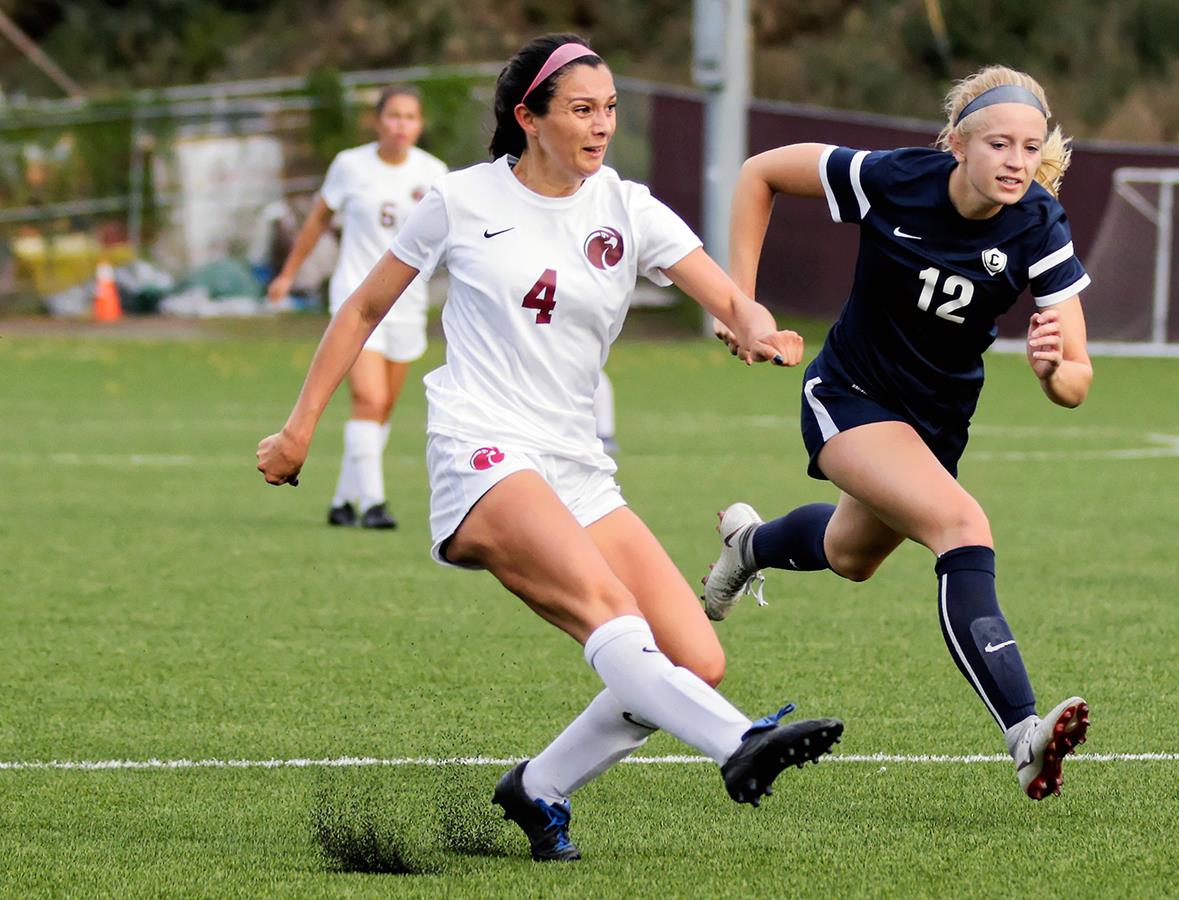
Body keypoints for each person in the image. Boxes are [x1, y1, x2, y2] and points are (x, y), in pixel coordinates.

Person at [256, 35, 843, 861]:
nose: (601, 125)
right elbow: (360, 310)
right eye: (581, 109)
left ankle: (537, 788)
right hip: (482, 451)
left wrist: (756, 327)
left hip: (575, 467)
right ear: (528, 118)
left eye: (608, 108)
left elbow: (726, 297)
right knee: (615, 622)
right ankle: (740, 743)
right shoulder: (458, 200)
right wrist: (298, 428)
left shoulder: (628, 208)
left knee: (694, 658)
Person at [702, 65, 1092, 801]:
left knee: (850, 556)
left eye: (1028, 146)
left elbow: (1077, 380)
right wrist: (739, 301)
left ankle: (745, 545)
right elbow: (760, 174)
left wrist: (1050, 370)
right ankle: (1024, 734)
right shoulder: (891, 177)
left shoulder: (1039, 223)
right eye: (998, 143)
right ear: (955, 143)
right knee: (963, 528)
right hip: (848, 393)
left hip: (936, 421)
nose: (1014, 160)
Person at [267, 85, 449, 529]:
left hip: (407, 301)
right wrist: (288, 273)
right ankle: (373, 504)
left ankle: (344, 500)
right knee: (368, 398)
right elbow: (317, 221)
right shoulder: (351, 165)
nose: (401, 125)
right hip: (358, 298)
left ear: (420, 125)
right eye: (394, 116)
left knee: (383, 407)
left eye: (410, 117)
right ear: (377, 120)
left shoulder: (435, 172)